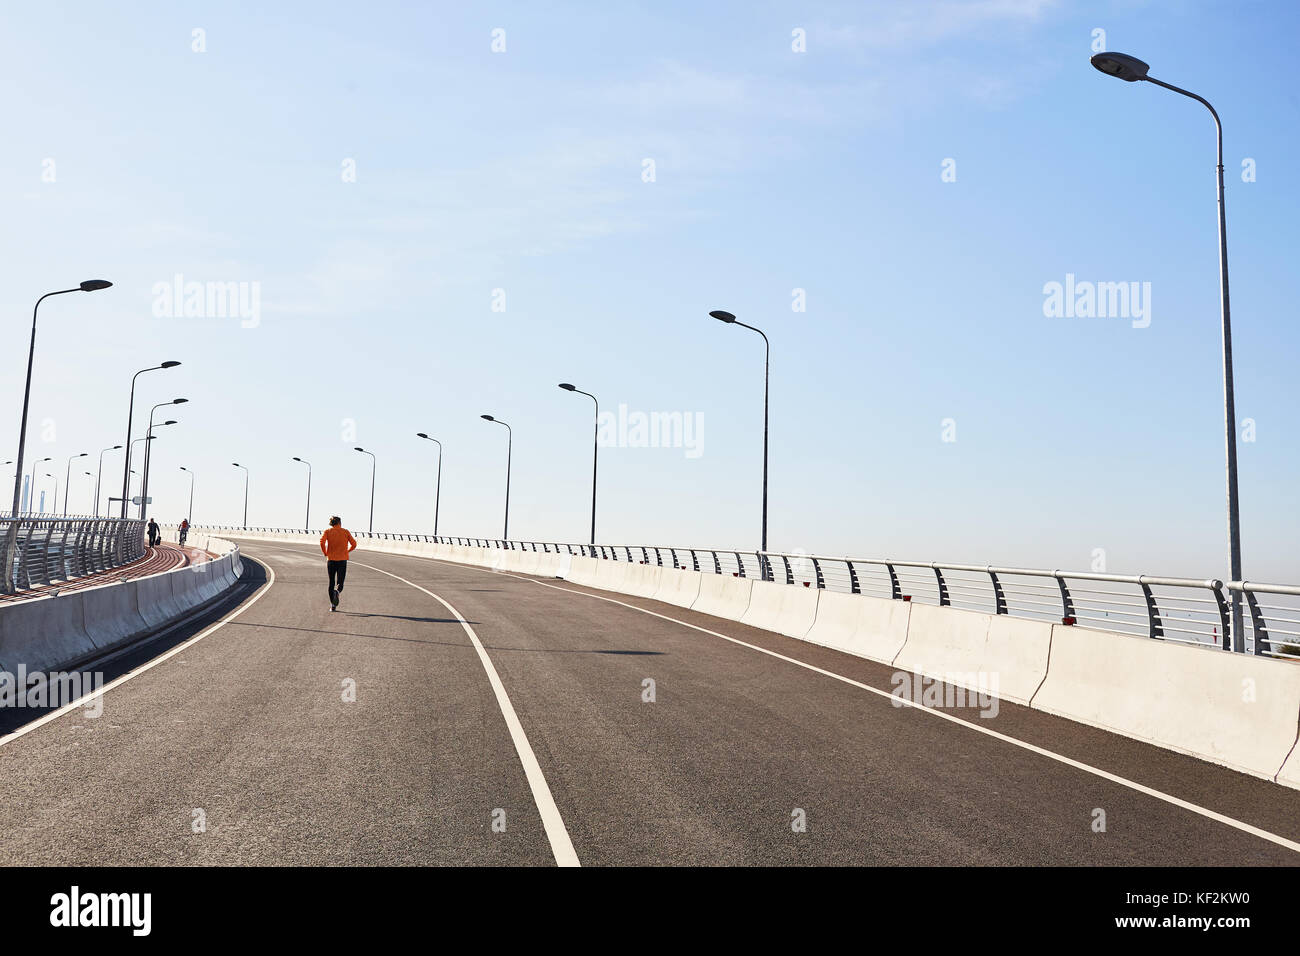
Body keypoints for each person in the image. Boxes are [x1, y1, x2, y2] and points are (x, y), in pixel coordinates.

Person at [319, 516, 357, 611]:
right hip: (342, 560)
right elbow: (354, 544)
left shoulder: (328, 531)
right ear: (339, 523)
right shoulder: (345, 532)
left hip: (331, 560)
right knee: (340, 582)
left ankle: (333, 605)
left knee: (331, 582)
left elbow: (322, 542)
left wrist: (325, 552)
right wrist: (347, 551)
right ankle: (337, 591)